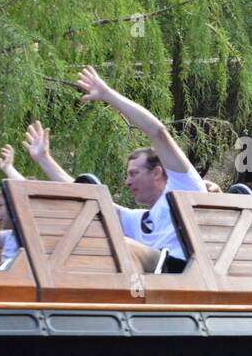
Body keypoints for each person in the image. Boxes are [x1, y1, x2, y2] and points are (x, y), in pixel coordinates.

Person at [23, 67, 207, 272]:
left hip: (187, 274)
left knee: (119, 247)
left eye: (134, 174)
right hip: (156, 282)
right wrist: (44, 159)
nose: (128, 182)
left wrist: (107, 95)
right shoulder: (140, 220)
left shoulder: (185, 186)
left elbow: (157, 132)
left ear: (157, 173)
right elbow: (89, 199)